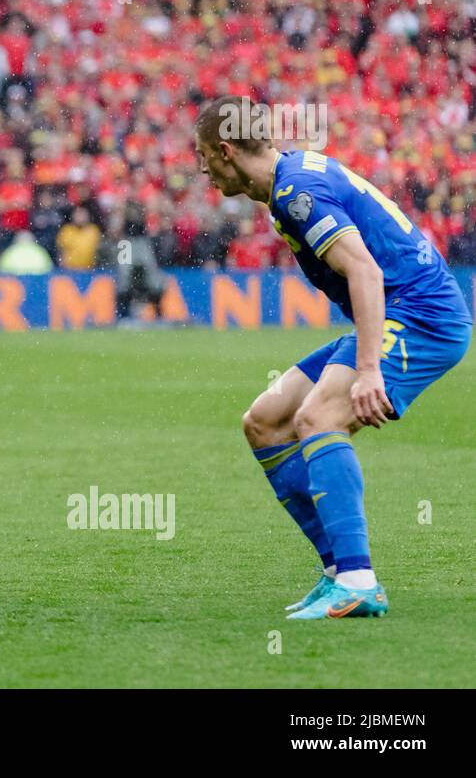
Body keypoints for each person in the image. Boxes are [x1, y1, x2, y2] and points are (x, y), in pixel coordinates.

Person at [194, 96, 471, 619]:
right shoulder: (288, 183)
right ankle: (337, 572)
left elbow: (364, 272)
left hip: (422, 316)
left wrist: (368, 370)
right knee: (266, 421)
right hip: (399, 310)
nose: (202, 168)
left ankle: (360, 582)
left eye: (203, 154)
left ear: (226, 150)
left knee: (318, 417)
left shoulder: (297, 192)